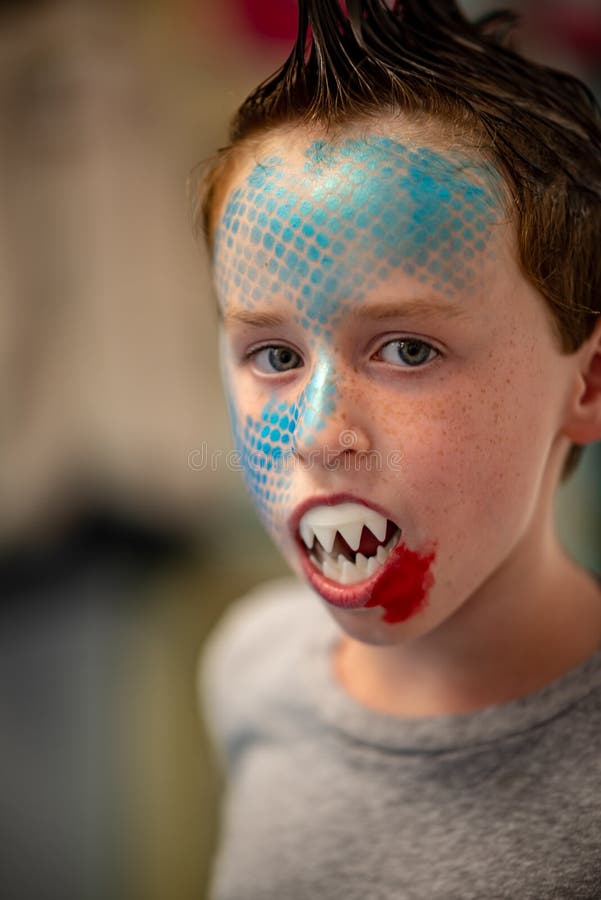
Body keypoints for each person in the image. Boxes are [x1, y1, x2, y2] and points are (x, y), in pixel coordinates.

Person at [193, 2, 601, 897]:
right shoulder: (250, 670)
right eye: (274, 356)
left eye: (408, 350)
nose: (318, 435)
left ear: (588, 383)